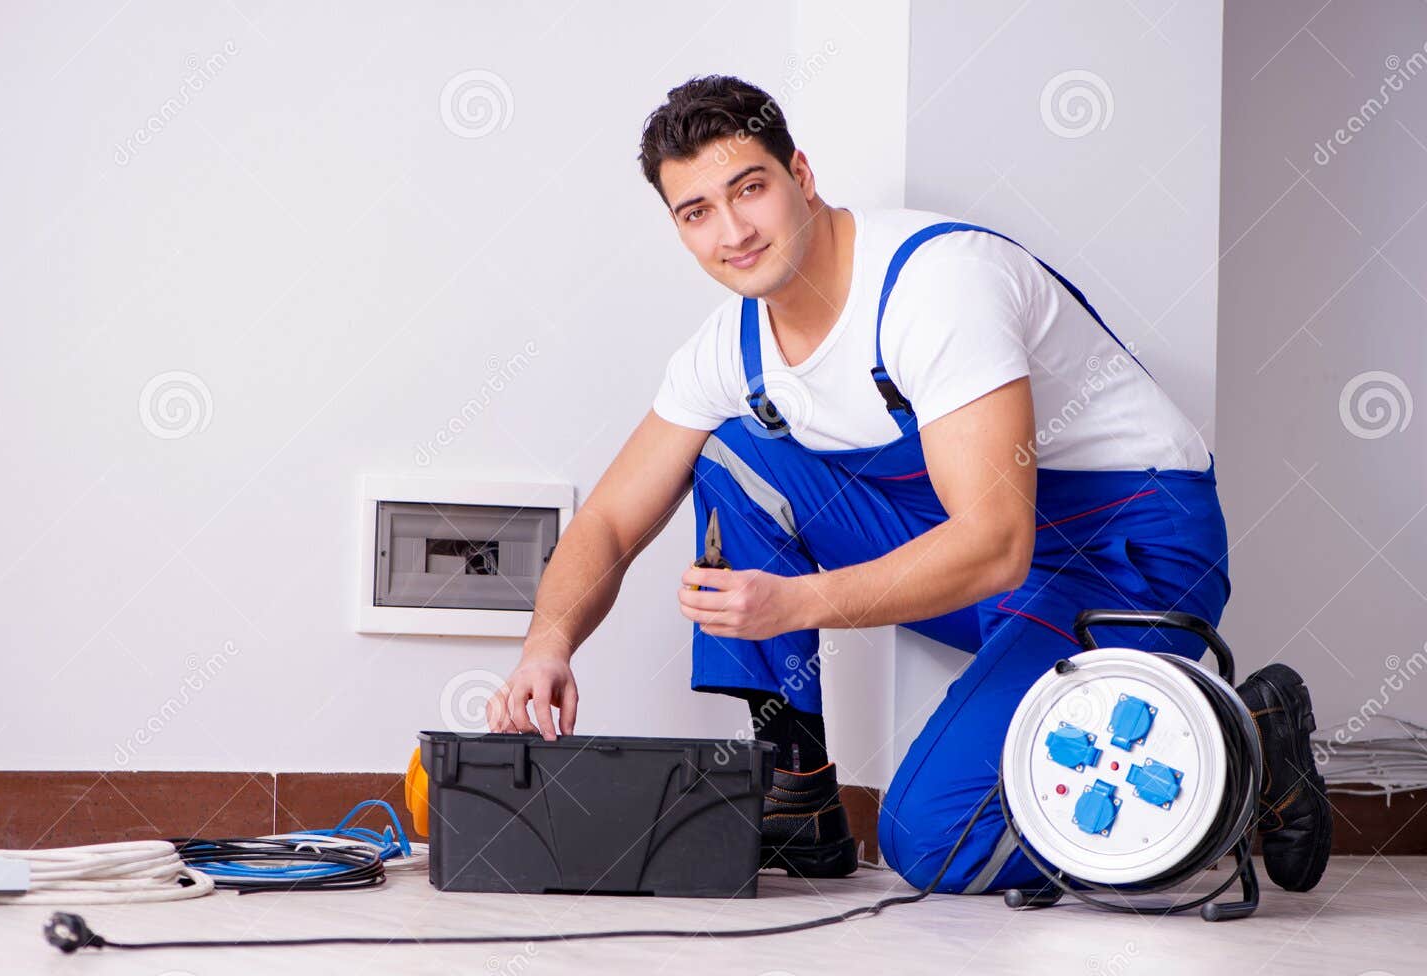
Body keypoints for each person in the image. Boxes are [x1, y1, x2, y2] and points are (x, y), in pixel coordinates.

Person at [487, 75, 1333, 894]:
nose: (733, 230)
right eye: (697, 212)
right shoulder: (727, 349)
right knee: (730, 452)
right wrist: (547, 645)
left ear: (802, 177)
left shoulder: (935, 285)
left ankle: (1243, 747)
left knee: (933, 843)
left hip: (1126, 559)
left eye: (750, 188)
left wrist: (796, 602)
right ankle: (799, 794)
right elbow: (607, 519)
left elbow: (998, 543)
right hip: (984, 556)